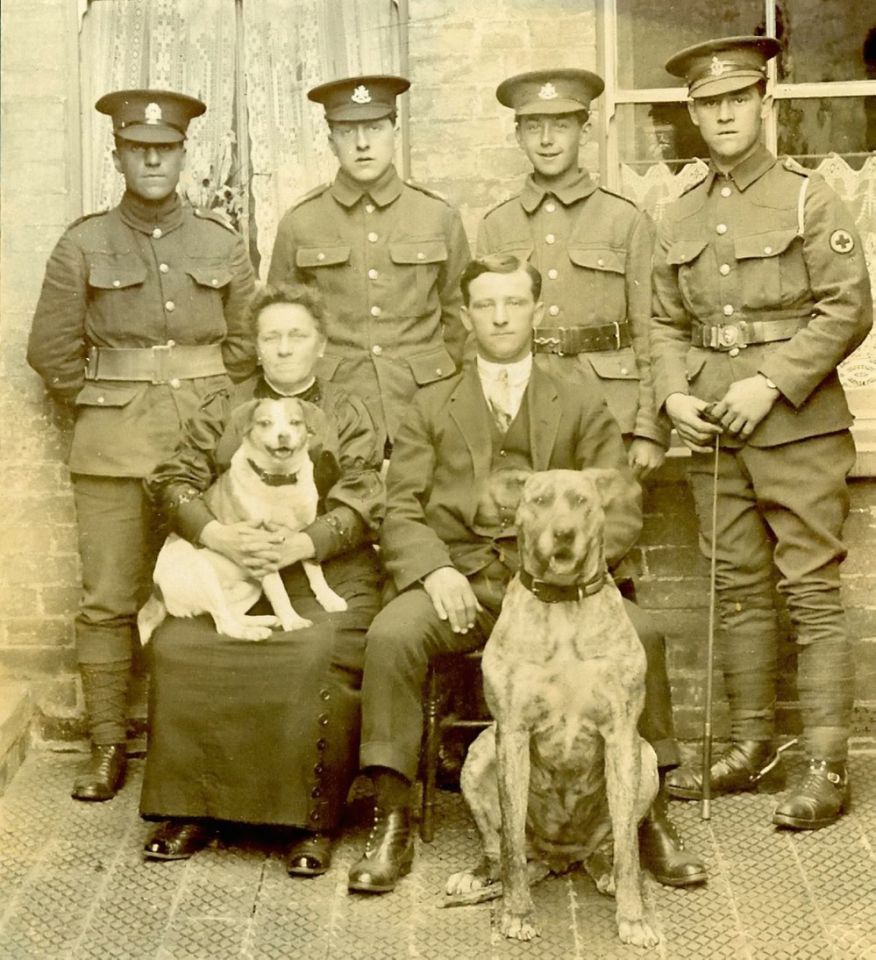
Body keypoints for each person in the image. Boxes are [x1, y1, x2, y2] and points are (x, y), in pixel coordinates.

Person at [346, 254, 706, 894]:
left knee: (643, 635)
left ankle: (649, 818)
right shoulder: (431, 402)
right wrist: (435, 570)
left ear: (536, 310)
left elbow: (621, 501)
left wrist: (577, 572)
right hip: (465, 583)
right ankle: (392, 817)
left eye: (514, 302)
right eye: (486, 304)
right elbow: (399, 506)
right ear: (466, 316)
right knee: (391, 638)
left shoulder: (579, 397)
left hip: (562, 589)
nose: (500, 316)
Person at [651, 37, 873, 829]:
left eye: (736, 100)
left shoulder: (810, 198)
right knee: (738, 590)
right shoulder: (676, 212)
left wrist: (770, 381)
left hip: (798, 427)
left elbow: (848, 308)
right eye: (708, 104)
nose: (723, 115)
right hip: (715, 430)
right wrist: (672, 395)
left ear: (763, 103)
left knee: (809, 592)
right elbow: (664, 322)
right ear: (693, 113)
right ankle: (751, 747)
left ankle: (824, 765)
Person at [27, 89, 256, 803]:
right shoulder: (83, 244)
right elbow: (51, 352)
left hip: (203, 446)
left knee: (218, 584)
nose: (153, 160)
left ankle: (207, 740)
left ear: (185, 155)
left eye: (166, 149)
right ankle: (106, 745)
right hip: (112, 448)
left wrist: (213, 415)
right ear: (118, 155)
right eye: (138, 149)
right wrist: (107, 405)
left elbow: (246, 345)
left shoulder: (220, 243)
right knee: (108, 598)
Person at [139, 283, 384, 873]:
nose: (284, 348)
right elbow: (173, 478)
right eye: (271, 337)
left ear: (321, 344)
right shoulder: (225, 406)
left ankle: (310, 819)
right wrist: (214, 534)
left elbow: (365, 491)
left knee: (314, 649)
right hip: (236, 560)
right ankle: (194, 807)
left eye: (297, 335)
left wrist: (305, 542)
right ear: (255, 346)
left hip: (327, 566)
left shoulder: (345, 409)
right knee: (180, 644)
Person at [478, 69, 668, 481]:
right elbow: (483, 337)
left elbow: (650, 330)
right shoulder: (497, 226)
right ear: (518, 136)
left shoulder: (624, 219)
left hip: (610, 412)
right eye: (534, 126)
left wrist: (651, 429)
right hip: (523, 412)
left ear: (585, 132)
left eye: (561, 125)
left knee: (611, 516)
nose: (547, 139)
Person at [267, 74, 471, 454]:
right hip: (335, 408)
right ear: (331, 142)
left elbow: (462, 317)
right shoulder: (300, 223)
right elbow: (279, 325)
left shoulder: (437, 215)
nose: (362, 144)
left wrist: (450, 391)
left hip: (426, 403)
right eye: (347, 132)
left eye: (375, 128)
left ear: (395, 132)